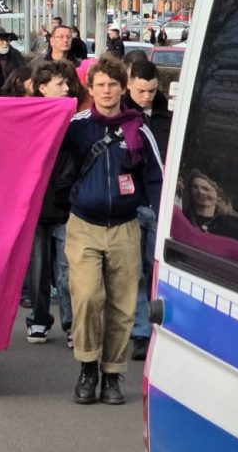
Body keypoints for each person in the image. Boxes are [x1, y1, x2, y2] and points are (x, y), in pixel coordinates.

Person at [56, 57, 164, 405]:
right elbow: (42, 151)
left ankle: (112, 374)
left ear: (123, 88)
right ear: (90, 89)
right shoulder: (76, 126)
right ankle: (87, 366)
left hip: (125, 227)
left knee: (122, 306)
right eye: (99, 85)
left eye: (112, 85)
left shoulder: (139, 130)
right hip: (84, 225)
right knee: (87, 297)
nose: (106, 91)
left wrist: (163, 223)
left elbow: (156, 179)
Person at [25, 60, 85, 345]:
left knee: (67, 269)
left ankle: (72, 322)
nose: (66, 89)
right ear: (41, 88)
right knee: (37, 269)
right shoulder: (27, 119)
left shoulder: (75, 118)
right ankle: (38, 319)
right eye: (59, 84)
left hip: (64, 204)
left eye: (67, 83)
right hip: (35, 206)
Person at [124, 58, 173, 358]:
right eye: (141, 91)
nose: (147, 96)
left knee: (153, 268)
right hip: (131, 203)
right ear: (129, 85)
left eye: (152, 91)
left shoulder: (167, 116)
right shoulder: (121, 117)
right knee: (133, 273)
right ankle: (140, 331)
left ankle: (155, 325)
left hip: (157, 203)